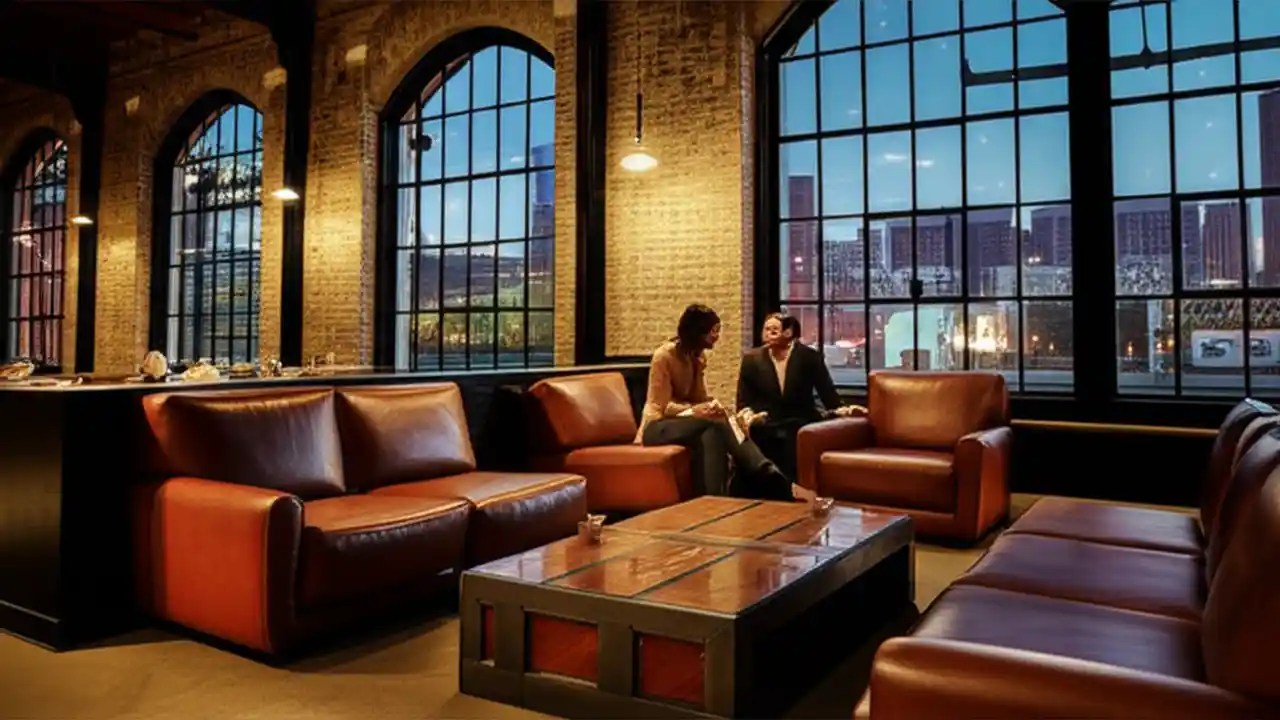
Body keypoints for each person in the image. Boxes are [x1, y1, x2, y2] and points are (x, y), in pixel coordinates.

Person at [638, 303, 815, 502]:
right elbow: (660, 406)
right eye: (714, 331)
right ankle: (776, 480)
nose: (717, 336)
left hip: (687, 425)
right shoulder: (664, 356)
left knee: (714, 428)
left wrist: (716, 407)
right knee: (715, 423)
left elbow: (699, 398)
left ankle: (714, 501)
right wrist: (695, 410)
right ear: (699, 331)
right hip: (657, 427)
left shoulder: (696, 357)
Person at [736, 312, 865, 480]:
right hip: (765, 422)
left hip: (800, 421)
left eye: (775, 329)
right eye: (766, 329)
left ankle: (796, 493)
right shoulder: (751, 360)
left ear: (789, 333)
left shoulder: (809, 357)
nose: (769, 333)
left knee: (792, 441)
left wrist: (844, 411)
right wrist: (749, 417)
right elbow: (743, 400)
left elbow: (828, 395)